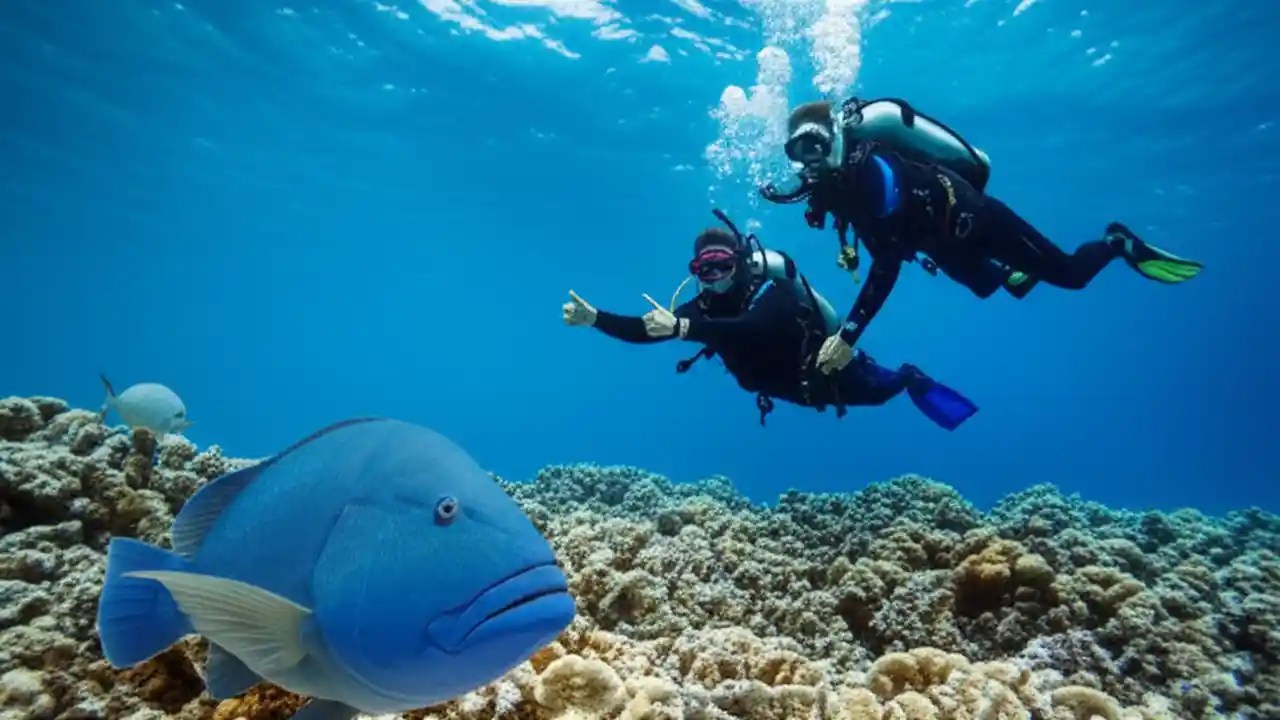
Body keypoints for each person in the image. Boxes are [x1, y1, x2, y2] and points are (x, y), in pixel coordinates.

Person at [759, 97, 1205, 375]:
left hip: (980, 223)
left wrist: (849, 334)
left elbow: (888, 261)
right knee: (995, 286)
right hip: (940, 245)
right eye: (797, 153)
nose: (808, 162)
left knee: (1070, 276)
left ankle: (1116, 242)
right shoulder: (833, 190)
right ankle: (1013, 273)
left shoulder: (876, 169)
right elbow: (881, 243)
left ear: (837, 136)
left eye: (814, 145)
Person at [561, 210, 979, 430]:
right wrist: (594, 318)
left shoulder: (772, 290)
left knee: (883, 391)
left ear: (740, 263)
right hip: (789, 390)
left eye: (721, 265)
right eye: (703, 269)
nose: (713, 277)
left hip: (829, 377)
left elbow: (752, 330)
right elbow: (643, 330)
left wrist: (683, 327)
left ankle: (913, 376)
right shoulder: (702, 309)